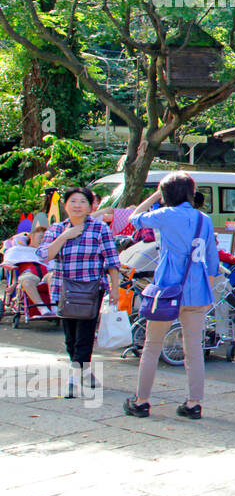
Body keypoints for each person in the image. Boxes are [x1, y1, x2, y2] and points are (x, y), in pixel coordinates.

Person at [123, 172, 219, 420]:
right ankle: (194, 403)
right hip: (197, 292)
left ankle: (142, 401)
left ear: (167, 195)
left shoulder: (165, 215)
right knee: (194, 350)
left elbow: (131, 218)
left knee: (152, 346)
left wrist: (155, 195)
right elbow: (212, 260)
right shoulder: (204, 219)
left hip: (166, 291)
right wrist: (205, 289)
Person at [37, 187, 121, 398]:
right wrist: (65, 236)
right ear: (66, 205)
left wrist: (115, 289)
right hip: (64, 289)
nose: (77, 205)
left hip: (91, 289)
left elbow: (111, 260)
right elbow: (45, 255)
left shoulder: (100, 228)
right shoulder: (57, 229)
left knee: (84, 334)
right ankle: (85, 371)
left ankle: (74, 378)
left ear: (91, 206)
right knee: (70, 337)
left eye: (82, 201)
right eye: (73, 201)